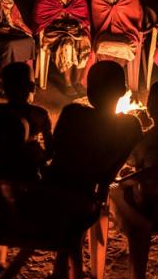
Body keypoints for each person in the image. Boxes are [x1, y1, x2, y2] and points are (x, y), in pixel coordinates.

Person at [45, 61, 143, 195]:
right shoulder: (131, 126)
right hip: (89, 195)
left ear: (89, 91)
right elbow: (133, 161)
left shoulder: (72, 113)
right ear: (123, 90)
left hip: (53, 188)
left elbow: (51, 151)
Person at [0, 62, 53, 177]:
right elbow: (50, 153)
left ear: (4, 89)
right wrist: (36, 153)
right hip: (28, 173)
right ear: (32, 87)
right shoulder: (41, 115)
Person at [33, 0, 91, 95]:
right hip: (54, 32)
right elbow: (39, 16)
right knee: (67, 43)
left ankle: (77, 81)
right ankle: (67, 83)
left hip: (74, 30)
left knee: (84, 40)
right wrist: (61, 25)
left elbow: (84, 15)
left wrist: (76, 25)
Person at [91, 0, 144, 66]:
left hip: (126, 35)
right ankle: (106, 72)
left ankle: (117, 72)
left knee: (127, 48)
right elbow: (97, 23)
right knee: (100, 45)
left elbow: (137, 17)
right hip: (104, 34)